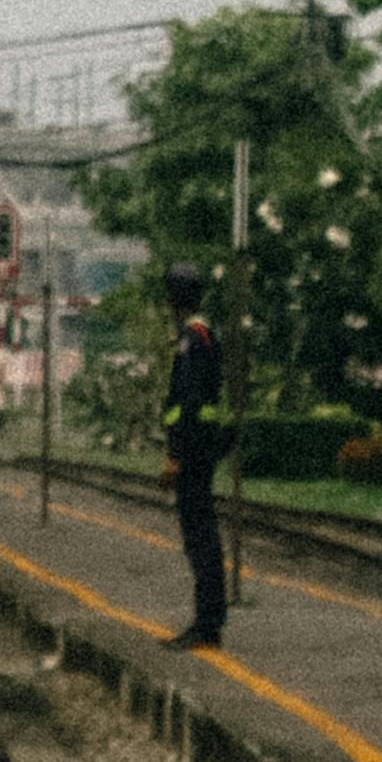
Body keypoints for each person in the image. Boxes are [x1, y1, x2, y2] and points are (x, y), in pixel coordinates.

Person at [161, 264, 229, 646]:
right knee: (204, 537)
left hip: (193, 452)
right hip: (202, 447)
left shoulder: (193, 338)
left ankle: (207, 624)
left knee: (200, 539)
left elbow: (186, 404)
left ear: (175, 298)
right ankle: (209, 620)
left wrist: (175, 455)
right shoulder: (205, 333)